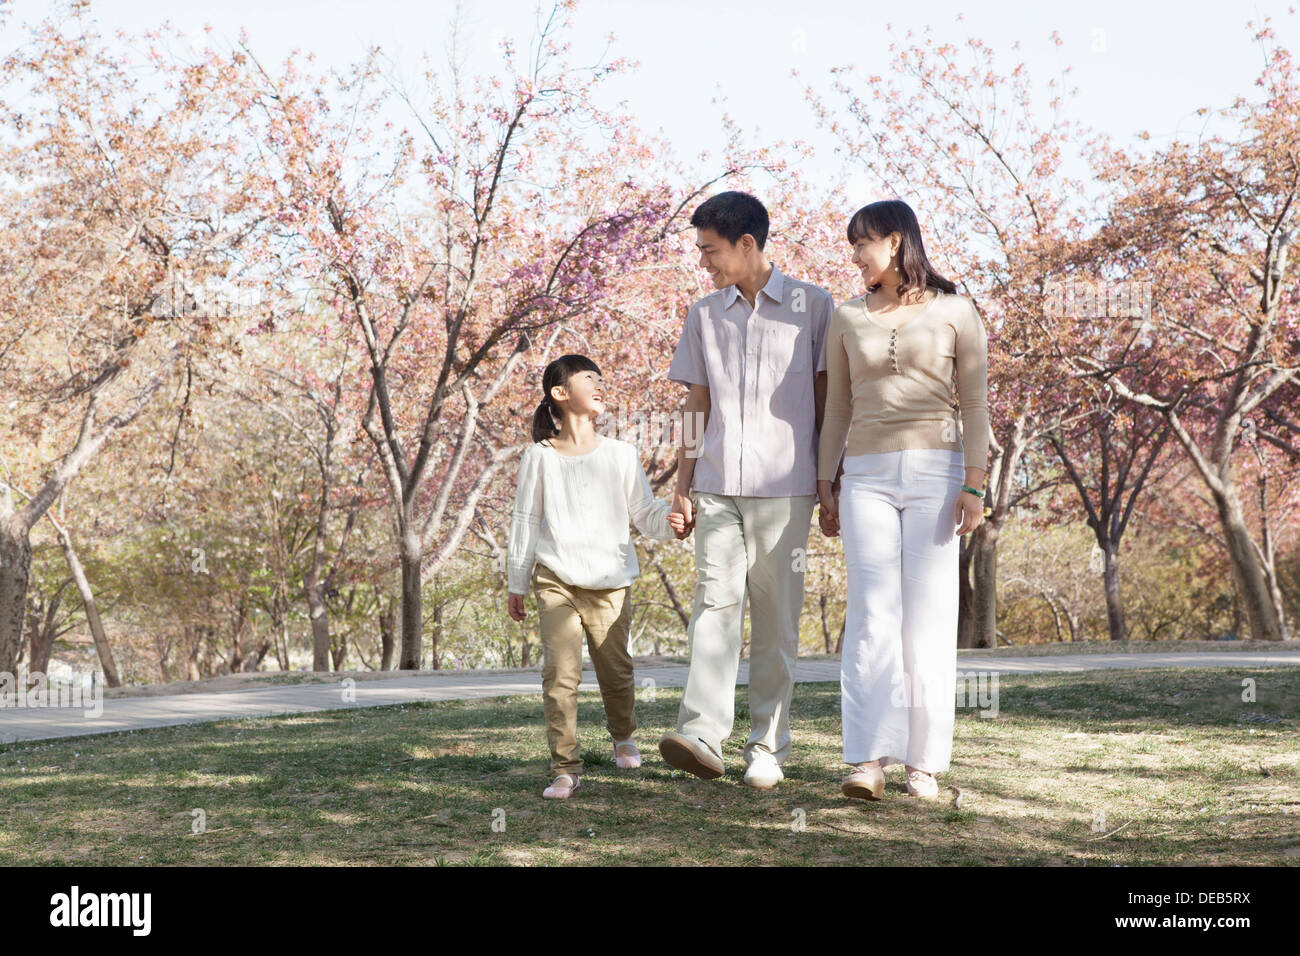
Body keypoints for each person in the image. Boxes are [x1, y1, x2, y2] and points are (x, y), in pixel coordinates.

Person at [658, 191, 834, 789]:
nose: (703, 262)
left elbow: (828, 402)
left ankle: (767, 747)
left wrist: (827, 480)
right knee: (714, 606)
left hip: (786, 489)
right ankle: (703, 733)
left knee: (777, 617)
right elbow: (695, 404)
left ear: (747, 244)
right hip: (715, 487)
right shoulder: (704, 313)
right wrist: (681, 488)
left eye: (710, 251)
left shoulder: (814, 307)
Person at [817, 199, 990, 801]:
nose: (855, 256)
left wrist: (975, 483)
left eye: (861, 244)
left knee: (930, 617)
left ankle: (924, 762)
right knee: (871, 613)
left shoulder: (956, 311)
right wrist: (824, 481)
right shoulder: (846, 317)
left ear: (894, 242)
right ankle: (868, 759)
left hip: (938, 474)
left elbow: (974, 403)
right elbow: (837, 405)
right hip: (863, 473)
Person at [506, 354, 677, 799]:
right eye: (588, 378)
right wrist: (517, 581)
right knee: (559, 675)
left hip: (609, 581)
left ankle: (623, 734)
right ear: (560, 394)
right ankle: (565, 766)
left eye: (601, 378)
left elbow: (644, 513)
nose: (600, 384)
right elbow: (526, 521)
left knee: (615, 672)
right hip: (555, 578)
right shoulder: (538, 457)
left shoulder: (621, 453)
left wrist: (673, 523)